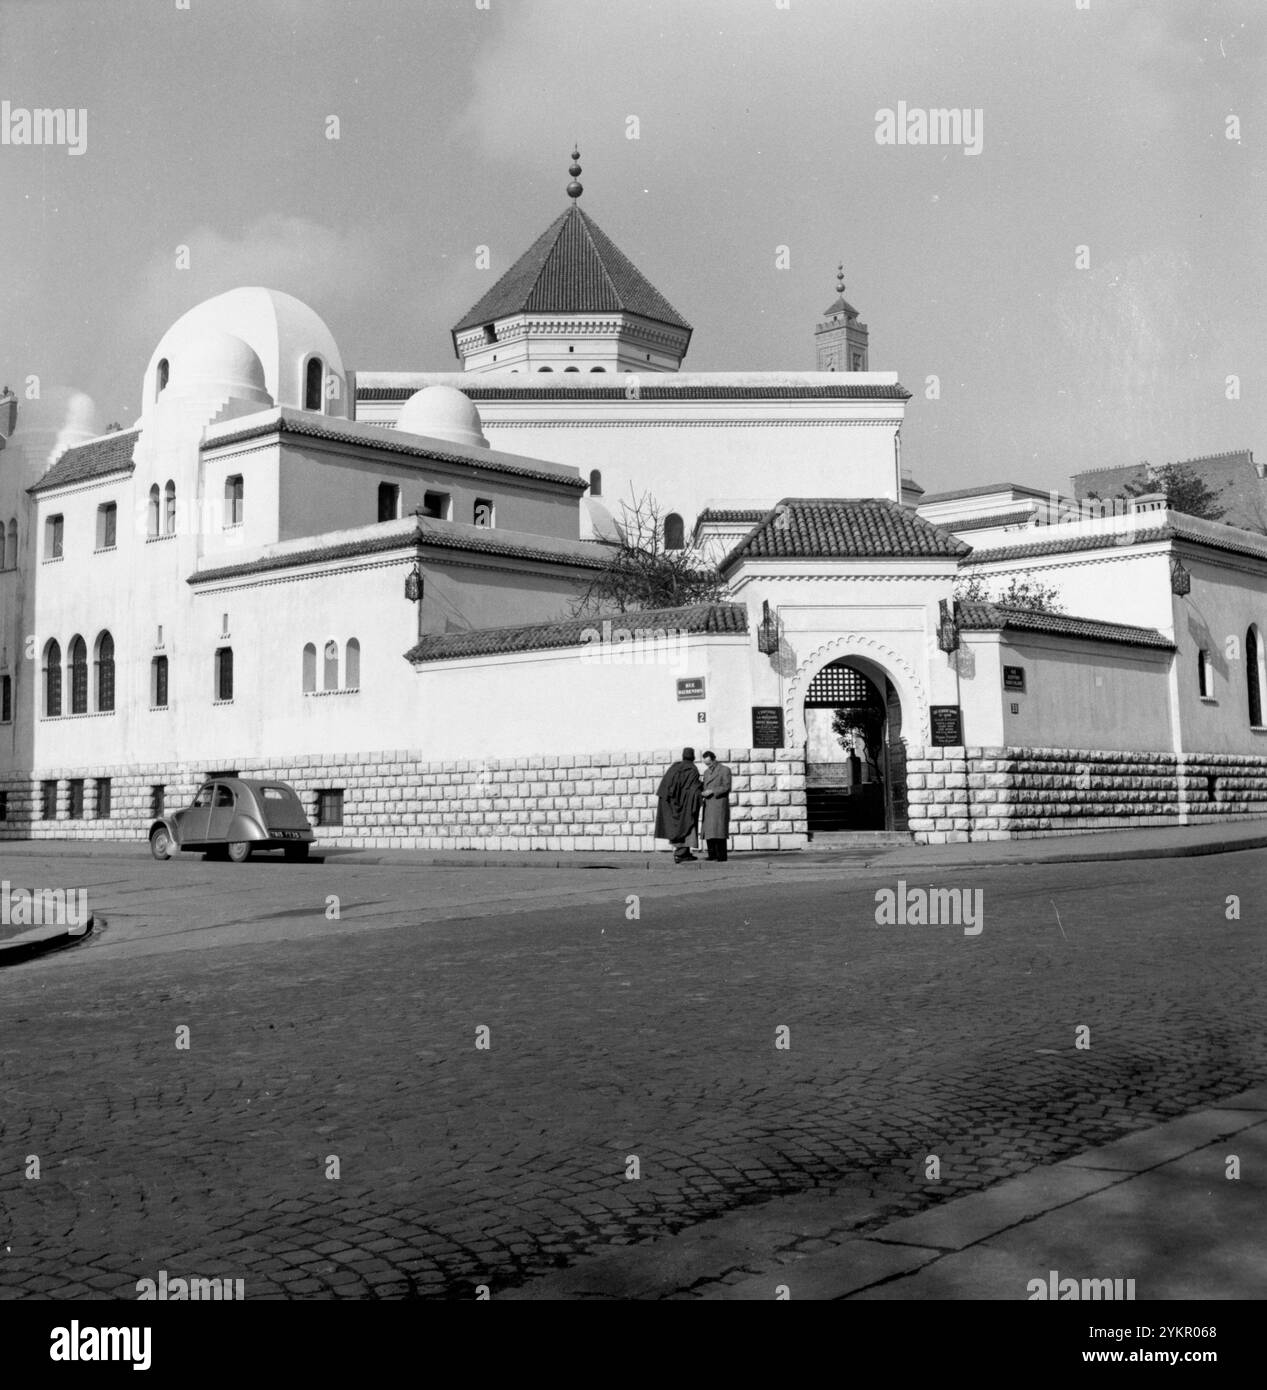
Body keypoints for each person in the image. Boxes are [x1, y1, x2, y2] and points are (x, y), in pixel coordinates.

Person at [655, 747, 702, 862]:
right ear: (693, 757)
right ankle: (681, 854)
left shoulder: (674, 768)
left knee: (677, 826)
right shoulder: (692, 769)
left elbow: (665, 787)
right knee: (688, 825)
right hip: (686, 804)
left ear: (683, 756)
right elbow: (692, 789)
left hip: (672, 803)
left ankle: (684, 853)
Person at [700, 750, 733, 861]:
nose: (708, 766)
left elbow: (726, 787)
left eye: (709, 763)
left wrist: (712, 791)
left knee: (719, 830)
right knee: (709, 830)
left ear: (714, 760)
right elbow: (704, 786)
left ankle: (721, 856)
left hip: (718, 803)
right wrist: (702, 792)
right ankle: (712, 854)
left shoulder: (724, 770)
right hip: (708, 804)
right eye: (706, 764)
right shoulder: (706, 772)